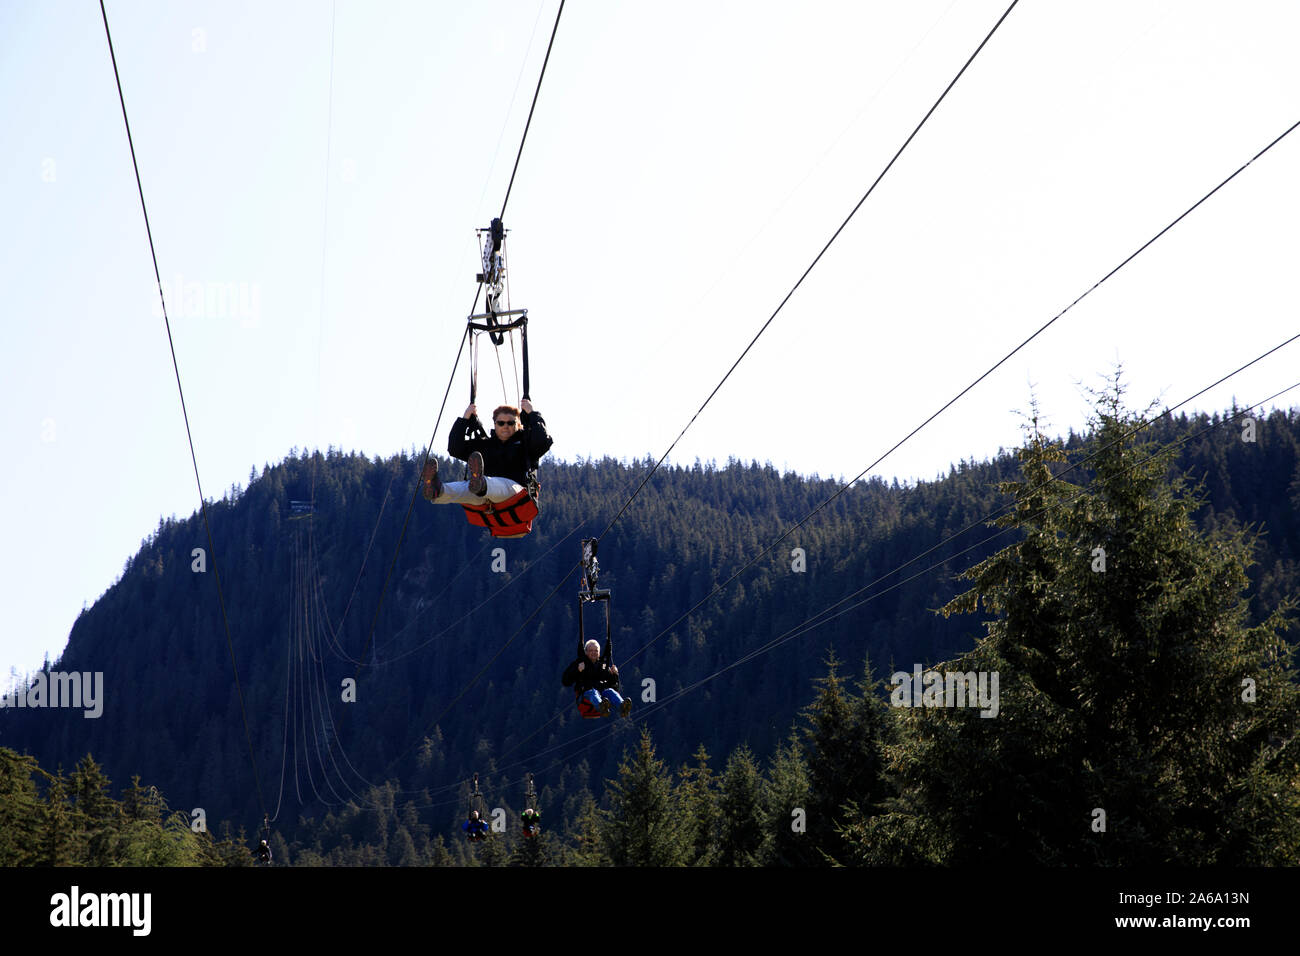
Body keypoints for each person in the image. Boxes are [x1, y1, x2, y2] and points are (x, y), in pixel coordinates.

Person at [421, 398, 553, 505]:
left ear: (518, 425)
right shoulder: (485, 445)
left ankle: (481, 484)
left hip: (515, 493)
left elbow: (543, 441)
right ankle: (438, 490)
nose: (505, 426)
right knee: (464, 489)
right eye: (501, 423)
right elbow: (456, 448)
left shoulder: (526, 445)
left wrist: (532, 413)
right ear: (495, 425)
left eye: (510, 423)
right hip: (484, 496)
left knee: (491, 485)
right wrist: (465, 419)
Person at [562, 639, 632, 718]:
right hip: (586, 695)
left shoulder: (603, 666)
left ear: (599, 653)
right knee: (593, 692)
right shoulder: (580, 663)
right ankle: (601, 707)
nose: (593, 653)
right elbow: (566, 681)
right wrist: (577, 670)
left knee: (610, 691)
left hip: (602, 694)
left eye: (596, 650)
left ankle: (622, 707)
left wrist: (615, 675)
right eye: (591, 650)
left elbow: (614, 685)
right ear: (586, 652)